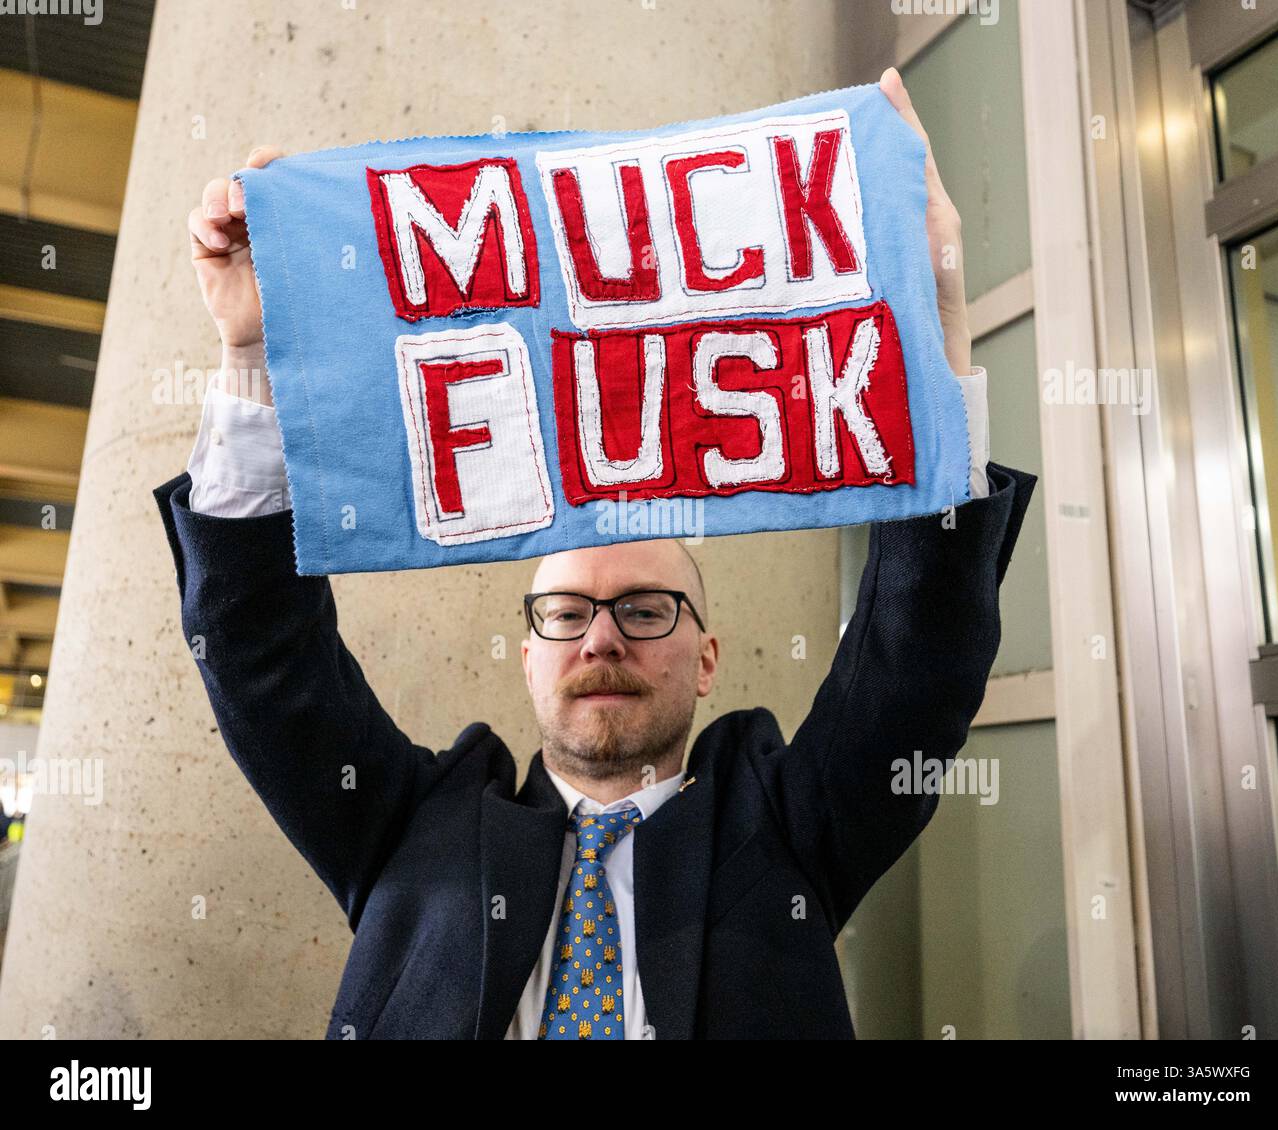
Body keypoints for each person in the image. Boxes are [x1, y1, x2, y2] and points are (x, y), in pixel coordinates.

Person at [154, 69, 1035, 1039]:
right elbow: (258, 656)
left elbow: (919, 661)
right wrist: (250, 356)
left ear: (706, 655)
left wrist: (939, 300)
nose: (601, 638)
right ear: (528, 650)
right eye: (566, 612)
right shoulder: (407, 820)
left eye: (646, 608)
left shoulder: (786, 823)